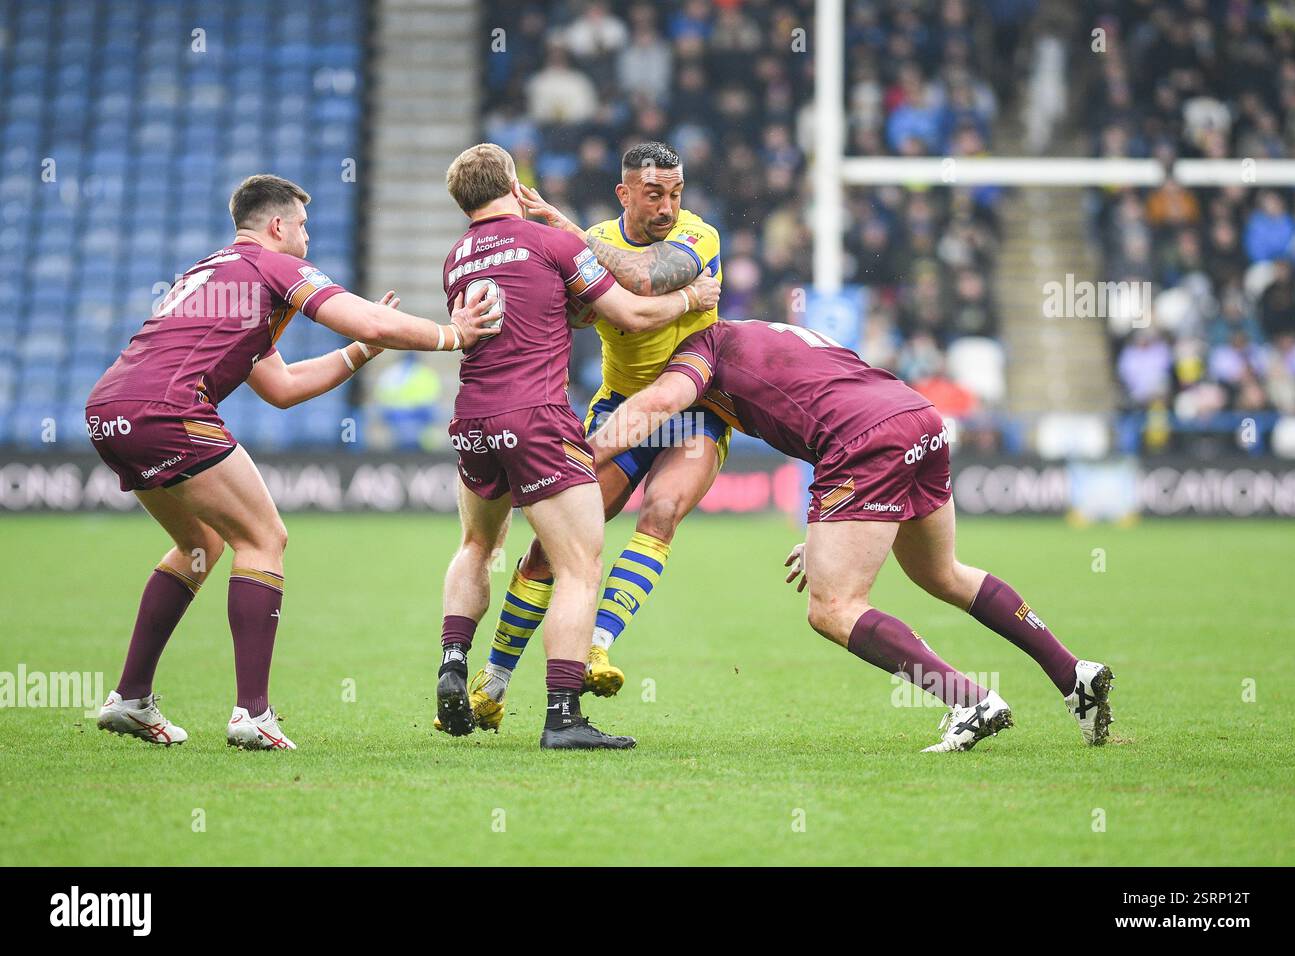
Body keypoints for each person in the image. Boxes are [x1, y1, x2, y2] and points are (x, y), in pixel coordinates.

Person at [88, 174, 501, 750]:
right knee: (265, 538)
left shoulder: (209, 274)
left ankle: (130, 698)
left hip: (112, 411)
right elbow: (370, 317)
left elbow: (280, 387)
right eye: (303, 225)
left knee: (199, 544)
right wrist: (453, 334)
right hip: (169, 412)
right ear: (277, 226)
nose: (308, 236)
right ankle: (252, 715)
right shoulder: (271, 267)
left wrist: (362, 353)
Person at [586, 319, 1115, 752]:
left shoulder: (700, 350)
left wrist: (579, 461)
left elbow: (654, 405)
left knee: (832, 607)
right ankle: (1074, 674)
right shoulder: (763, 330)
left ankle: (967, 699)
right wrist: (836, 530)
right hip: (917, 417)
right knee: (941, 573)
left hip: (863, 442)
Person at [434, 144, 720, 749]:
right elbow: (611, 305)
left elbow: (640, 281)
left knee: (660, 511)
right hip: (611, 406)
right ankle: (502, 686)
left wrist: (578, 249)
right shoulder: (574, 239)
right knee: (559, 556)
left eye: (676, 192)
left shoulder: (700, 234)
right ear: (625, 194)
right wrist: (578, 244)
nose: (668, 206)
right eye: (653, 194)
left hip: (694, 409)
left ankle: (587, 646)